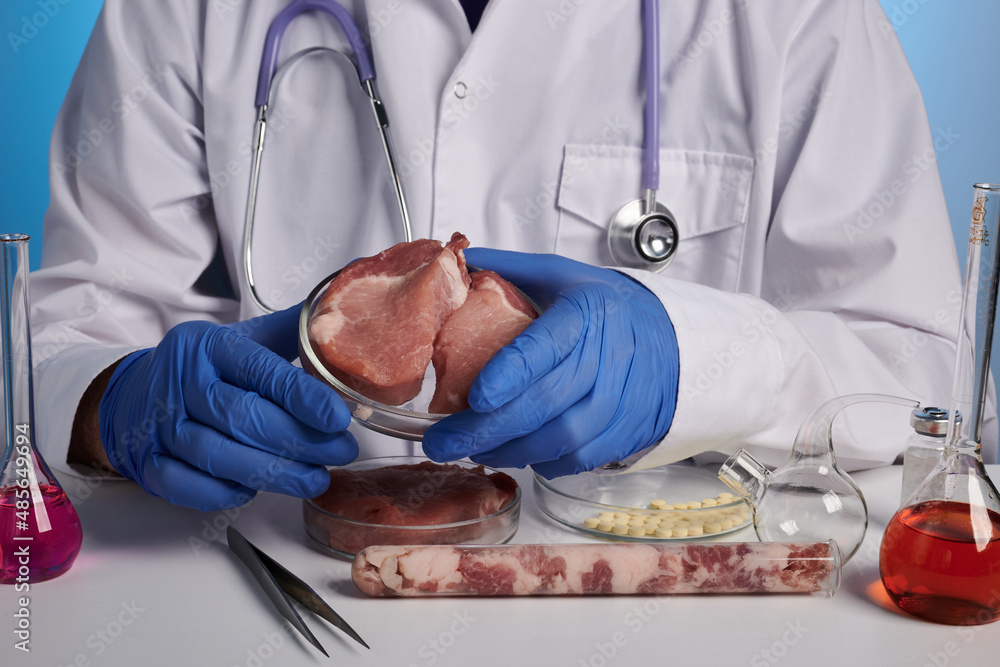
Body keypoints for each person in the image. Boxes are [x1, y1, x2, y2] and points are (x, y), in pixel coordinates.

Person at [31, 0, 985, 512]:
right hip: (279, 599)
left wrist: (697, 363)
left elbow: (926, 381)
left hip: (667, 607)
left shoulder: (804, 17)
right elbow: (60, 327)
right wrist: (109, 402)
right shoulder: (180, 10)